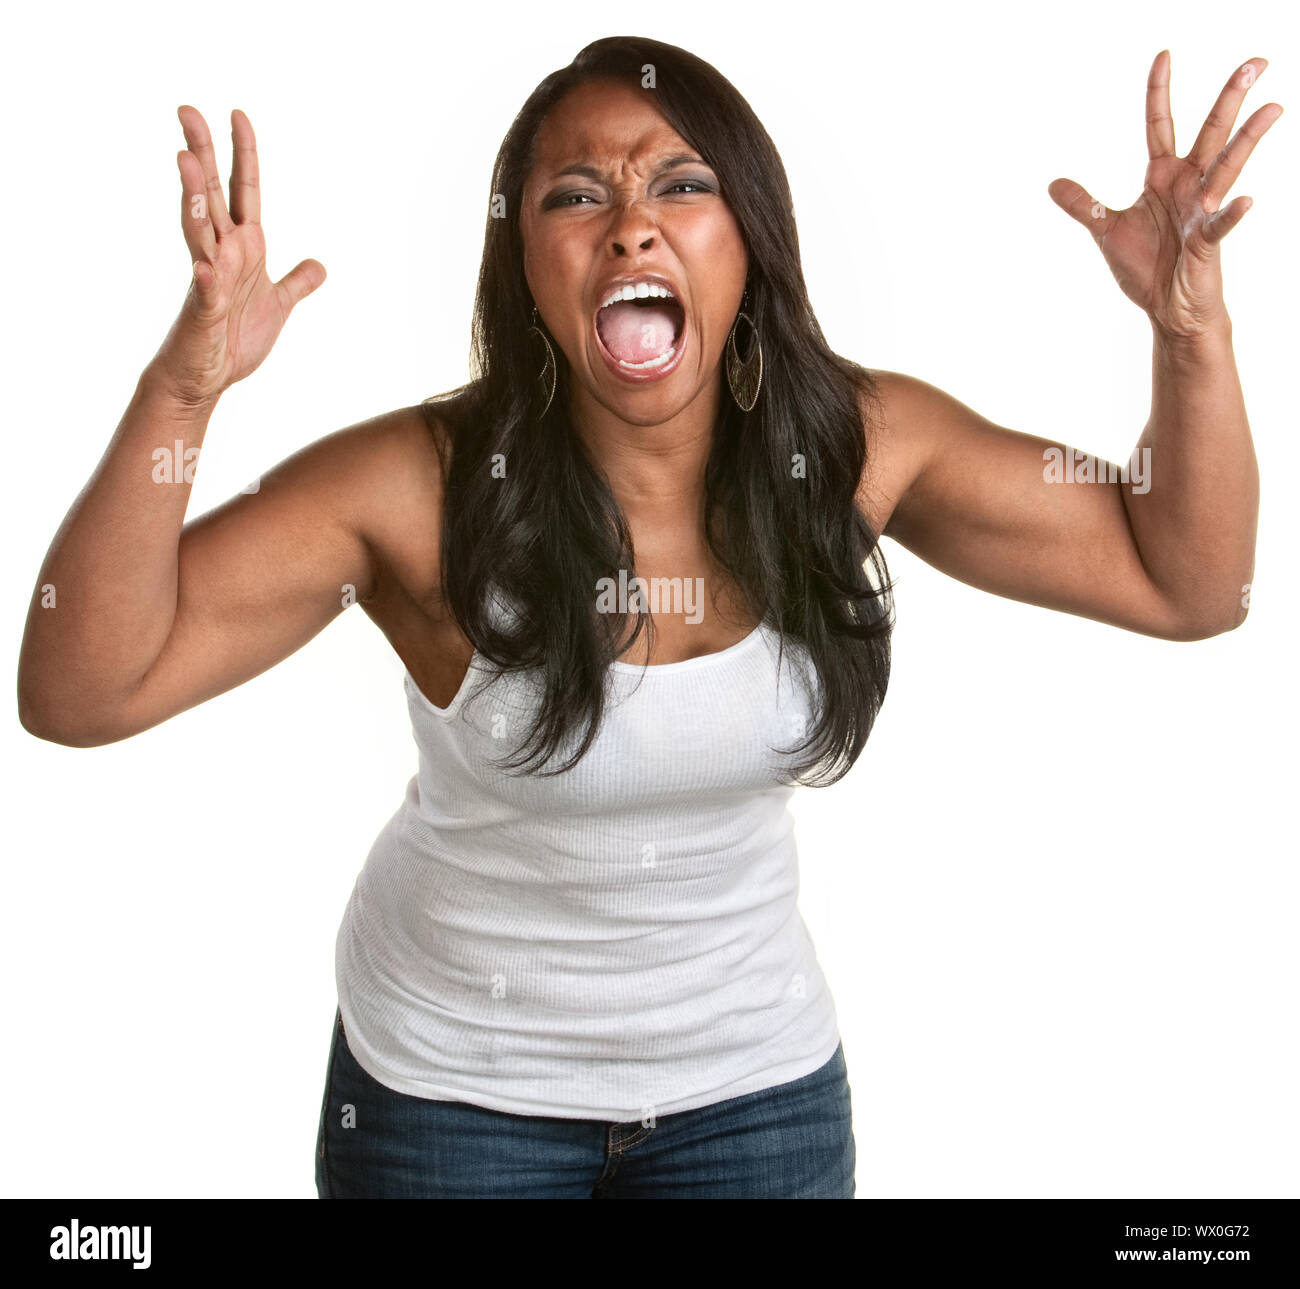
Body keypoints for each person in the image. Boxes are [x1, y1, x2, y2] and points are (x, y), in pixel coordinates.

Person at [17, 37, 1275, 1199]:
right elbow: (81, 689)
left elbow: (1190, 582)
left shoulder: (852, 449)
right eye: (575, 196)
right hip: (453, 1103)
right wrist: (184, 388)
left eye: (680, 187)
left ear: (749, 237)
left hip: (753, 1098)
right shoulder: (415, 490)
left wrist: (1191, 327)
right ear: (523, 258)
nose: (630, 230)